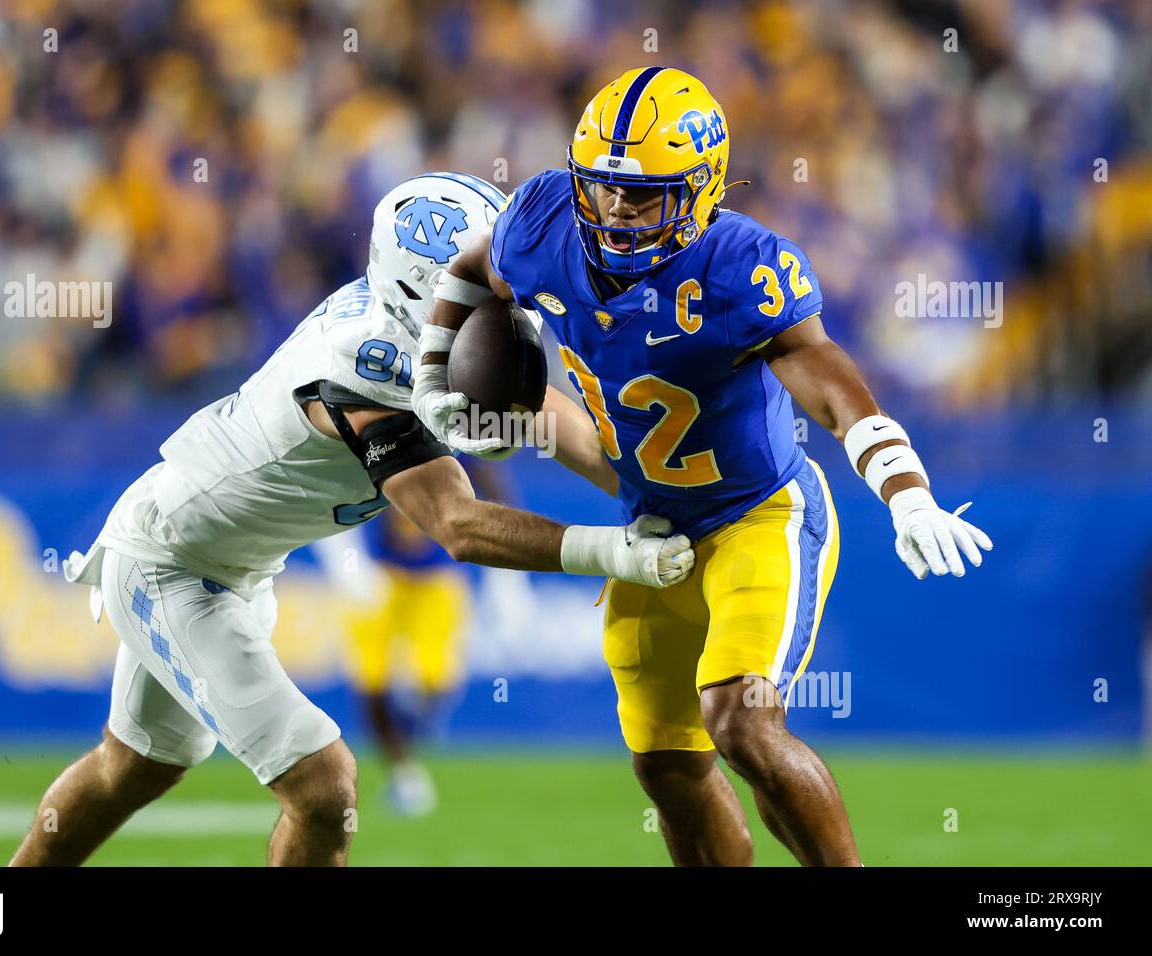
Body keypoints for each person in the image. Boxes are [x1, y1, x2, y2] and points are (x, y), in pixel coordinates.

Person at [9, 172, 694, 867]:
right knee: (322, 785)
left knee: (135, 767)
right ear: (420, 295)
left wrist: (661, 491)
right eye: (473, 286)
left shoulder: (420, 325)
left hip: (231, 561)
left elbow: (543, 413)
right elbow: (457, 522)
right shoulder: (359, 371)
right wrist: (618, 550)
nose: (498, 300)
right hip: (170, 563)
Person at [412, 69, 993, 866]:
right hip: (651, 526)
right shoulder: (543, 224)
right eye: (605, 187)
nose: (617, 209)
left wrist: (908, 493)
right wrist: (435, 357)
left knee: (742, 720)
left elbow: (828, 384)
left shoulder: (740, 267)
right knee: (667, 768)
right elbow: (476, 263)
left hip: (758, 516)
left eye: (644, 193)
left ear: (700, 190)